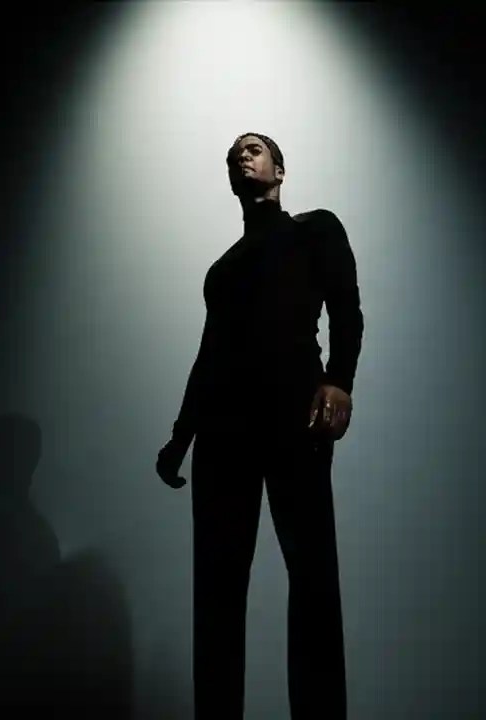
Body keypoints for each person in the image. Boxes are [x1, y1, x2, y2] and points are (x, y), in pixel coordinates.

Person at [156, 132, 364, 720]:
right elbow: (209, 354)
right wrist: (181, 437)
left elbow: (347, 307)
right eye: (232, 156)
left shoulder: (314, 229)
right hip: (223, 435)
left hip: (293, 416)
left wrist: (340, 380)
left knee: (314, 576)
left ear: (279, 167)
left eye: (253, 149)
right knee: (217, 592)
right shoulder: (221, 273)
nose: (240, 157)